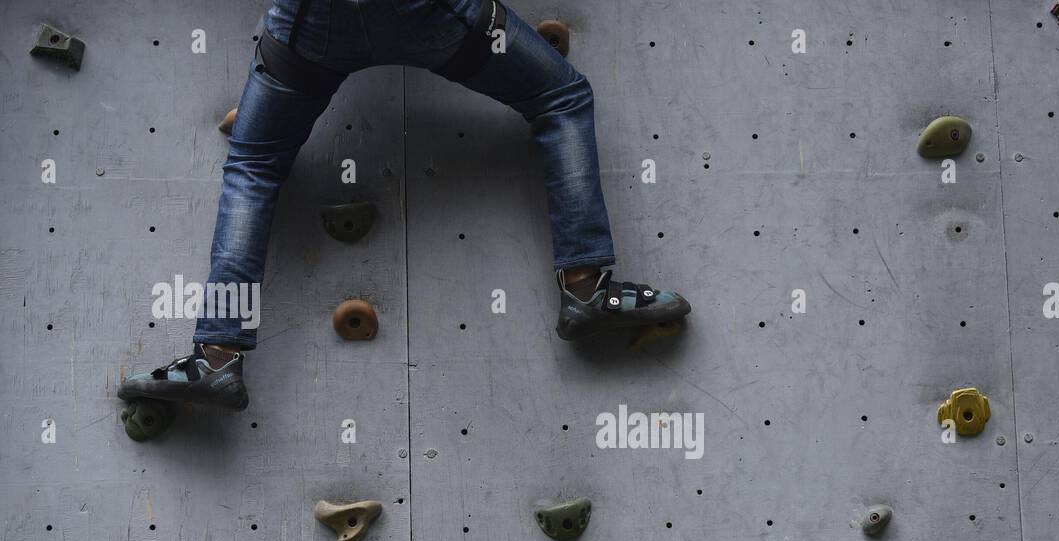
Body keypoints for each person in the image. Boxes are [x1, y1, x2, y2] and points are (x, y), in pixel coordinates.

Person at [118, 0, 691, 412]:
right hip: (428, 16)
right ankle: (587, 288)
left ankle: (218, 356)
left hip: (314, 22)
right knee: (560, 100)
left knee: (255, 169)